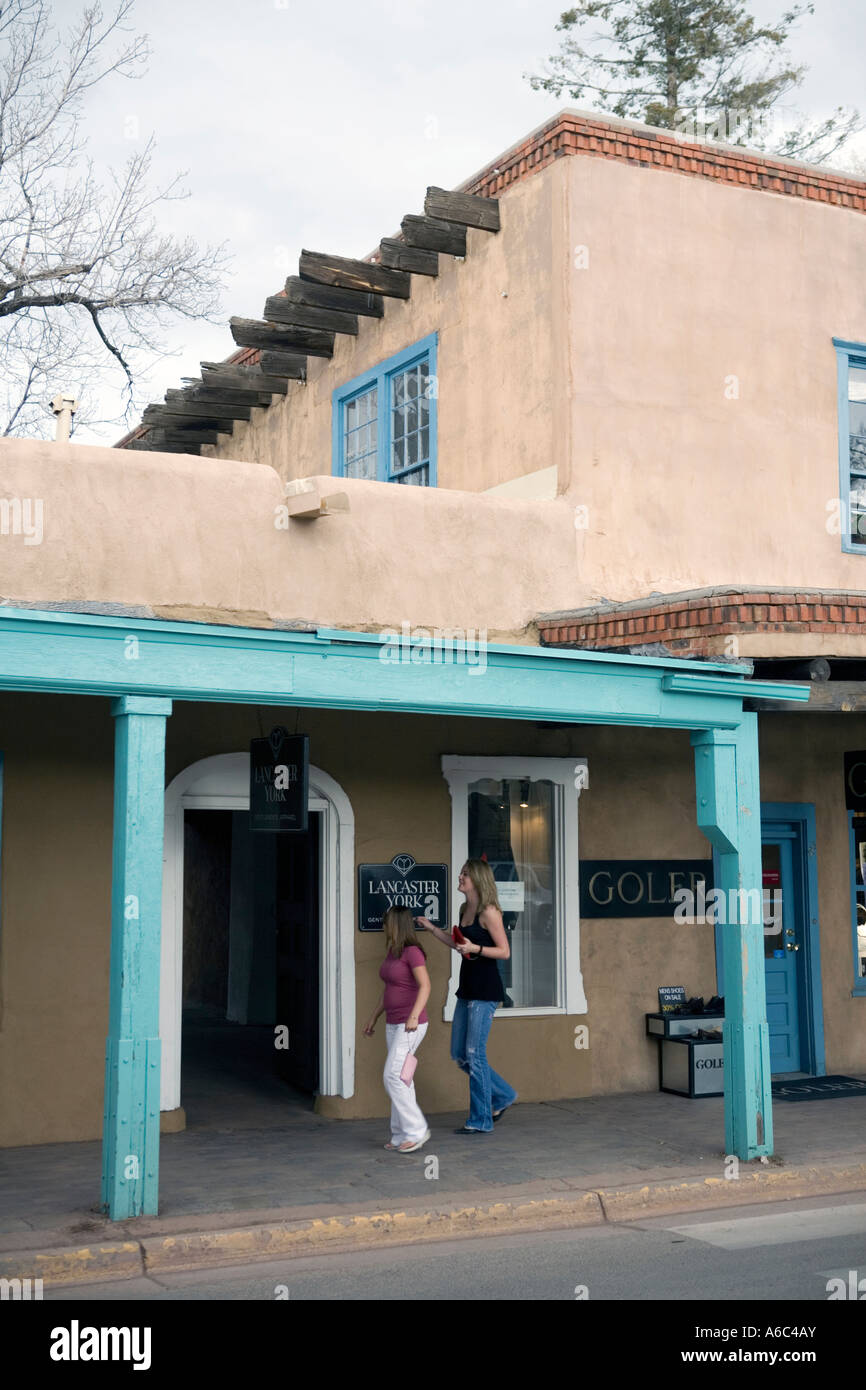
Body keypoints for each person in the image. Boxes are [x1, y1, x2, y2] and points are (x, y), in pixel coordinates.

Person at [417, 859, 518, 1134]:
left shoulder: (489, 912)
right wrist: (433, 929)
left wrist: (476, 947)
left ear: (477, 879)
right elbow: (460, 945)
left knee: (475, 1054)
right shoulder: (465, 909)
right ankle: (504, 1095)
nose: (460, 877)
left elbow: (504, 951)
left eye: (465, 874)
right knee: (461, 1054)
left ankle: (481, 1120)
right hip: (467, 988)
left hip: (485, 991)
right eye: (461, 873)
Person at [363, 905, 432, 1153]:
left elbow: (425, 986)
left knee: (392, 1075)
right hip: (393, 1023)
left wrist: (413, 1016)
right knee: (403, 1078)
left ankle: (417, 1129)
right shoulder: (393, 951)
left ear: (395, 924)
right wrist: (374, 1016)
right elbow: (390, 989)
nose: (382, 925)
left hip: (410, 1025)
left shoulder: (413, 952)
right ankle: (401, 1134)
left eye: (386, 921)